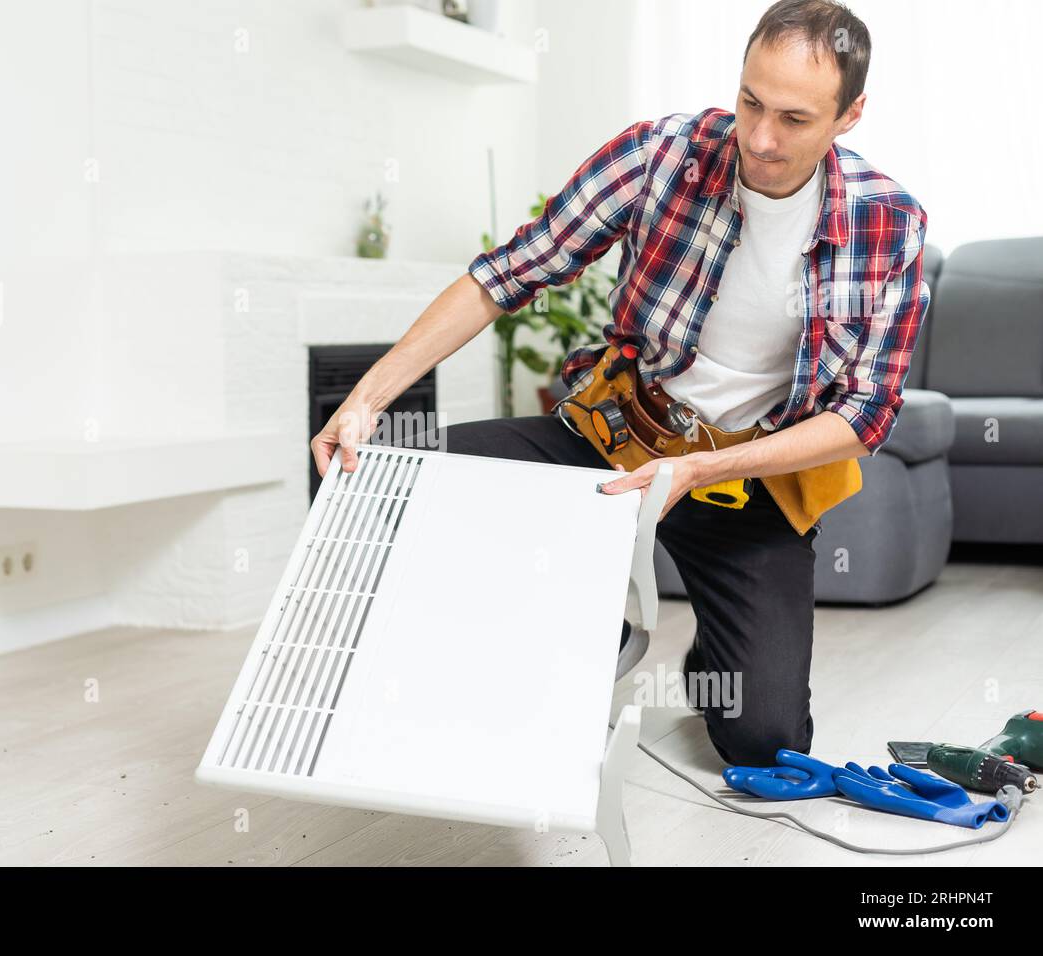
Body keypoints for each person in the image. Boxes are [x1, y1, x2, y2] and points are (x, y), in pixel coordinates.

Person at [308, 0, 929, 767]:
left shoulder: (888, 222)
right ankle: (560, 628)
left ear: (850, 114)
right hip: (618, 441)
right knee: (404, 473)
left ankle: (714, 660)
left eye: (795, 120)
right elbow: (507, 275)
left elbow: (866, 417)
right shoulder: (660, 155)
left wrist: (702, 468)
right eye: (750, 103)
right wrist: (367, 398)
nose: (761, 140)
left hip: (748, 484)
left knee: (763, 740)